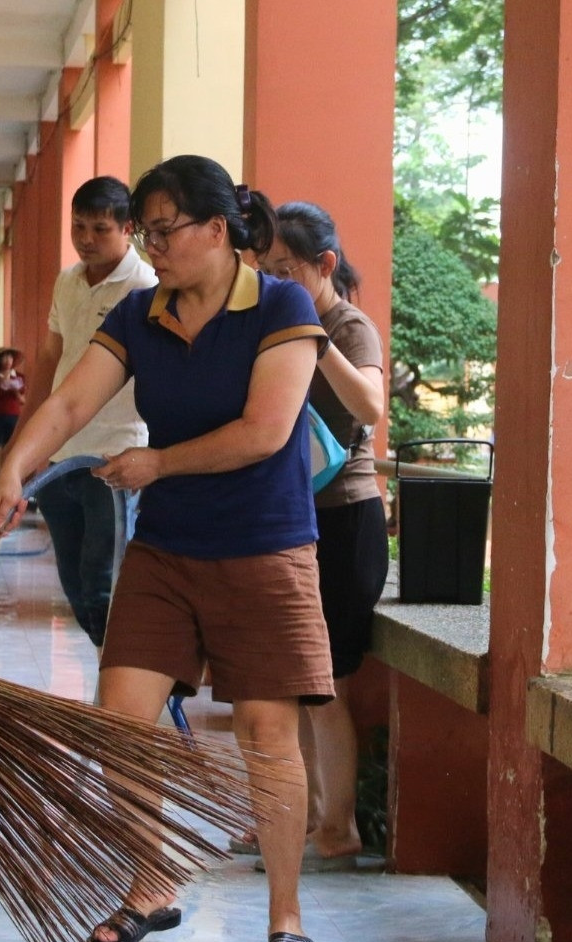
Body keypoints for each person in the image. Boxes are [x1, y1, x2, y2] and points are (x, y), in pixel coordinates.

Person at [0, 155, 329, 942]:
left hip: (265, 545)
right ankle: (151, 882)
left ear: (218, 230)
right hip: (167, 550)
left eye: (164, 229)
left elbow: (266, 430)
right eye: (145, 231)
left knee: (266, 731)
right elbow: (72, 399)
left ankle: (285, 911)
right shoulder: (142, 314)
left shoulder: (280, 304)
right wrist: (13, 467)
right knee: (121, 717)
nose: (153, 247)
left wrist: (159, 464)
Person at [257, 202, 389, 872]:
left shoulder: (347, 325)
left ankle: (338, 827)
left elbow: (370, 407)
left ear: (324, 266)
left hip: (346, 519)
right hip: (298, 517)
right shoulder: (283, 319)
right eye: (267, 271)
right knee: (301, 682)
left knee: (326, 682)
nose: (274, 281)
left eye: (286, 270)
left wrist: (315, 339)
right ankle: (309, 816)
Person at [21, 176, 156, 647]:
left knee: (105, 582)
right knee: (75, 585)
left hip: (115, 457)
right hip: (61, 456)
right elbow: (48, 360)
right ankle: (116, 664)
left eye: (100, 229)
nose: (86, 239)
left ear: (127, 230)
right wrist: (25, 446)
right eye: (79, 227)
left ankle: (123, 678)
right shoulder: (68, 281)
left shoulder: (146, 287)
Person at [0, 348, 27, 483]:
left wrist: (15, 392)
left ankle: (9, 482)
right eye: (4, 357)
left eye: (10, 357)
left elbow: (23, 401)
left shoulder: (19, 377)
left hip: (13, 417)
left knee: (12, 450)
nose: (8, 360)